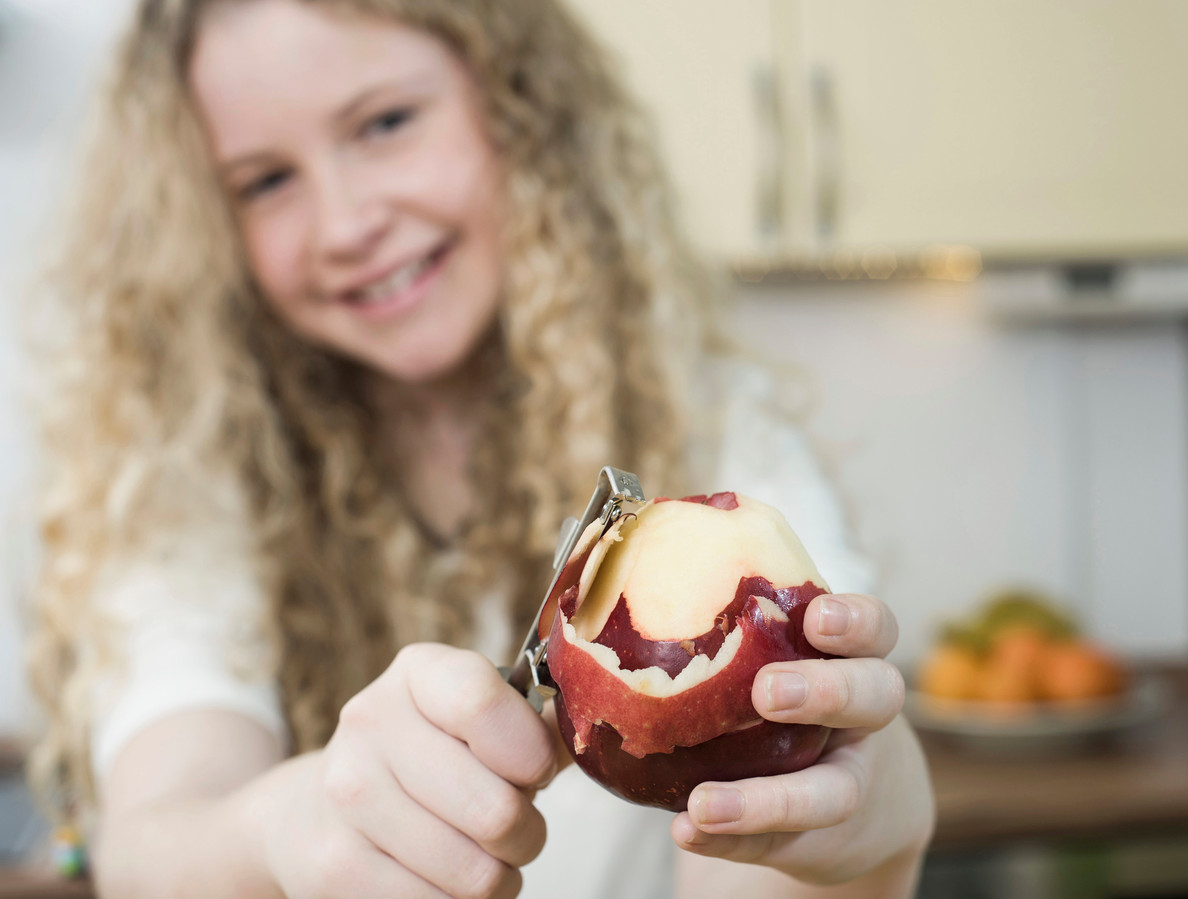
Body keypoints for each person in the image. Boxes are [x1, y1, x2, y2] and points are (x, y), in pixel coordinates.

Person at [26, 0, 935, 896]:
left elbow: (758, 849)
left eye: (384, 122)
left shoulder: (713, 432)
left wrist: (856, 842)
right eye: (264, 182)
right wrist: (281, 826)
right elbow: (154, 838)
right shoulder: (192, 471)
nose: (346, 225)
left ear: (520, 107)